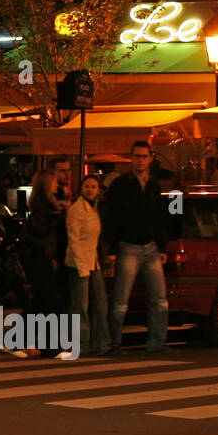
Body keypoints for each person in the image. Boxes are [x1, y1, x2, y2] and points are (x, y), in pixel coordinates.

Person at [103, 140, 171, 355]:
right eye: (136, 156)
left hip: (150, 246)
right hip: (128, 245)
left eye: (143, 156)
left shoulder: (153, 186)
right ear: (131, 159)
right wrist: (112, 249)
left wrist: (161, 246)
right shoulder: (121, 185)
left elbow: (160, 217)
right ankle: (114, 343)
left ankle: (157, 342)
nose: (140, 161)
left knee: (159, 299)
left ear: (150, 159)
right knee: (121, 301)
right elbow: (111, 217)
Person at [21, 169, 69, 358]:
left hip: (42, 257)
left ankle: (19, 339)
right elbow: (40, 230)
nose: (57, 183)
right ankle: (49, 346)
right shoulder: (43, 204)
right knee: (49, 301)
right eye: (54, 180)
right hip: (42, 257)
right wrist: (59, 218)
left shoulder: (45, 203)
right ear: (47, 183)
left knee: (42, 301)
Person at [64, 175, 109, 359]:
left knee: (100, 303)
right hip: (78, 262)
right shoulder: (77, 209)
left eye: (93, 186)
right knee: (80, 305)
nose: (90, 189)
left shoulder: (94, 209)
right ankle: (81, 344)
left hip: (93, 261)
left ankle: (101, 343)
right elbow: (74, 239)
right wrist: (82, 266)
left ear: (98, 190)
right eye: (86, 186)